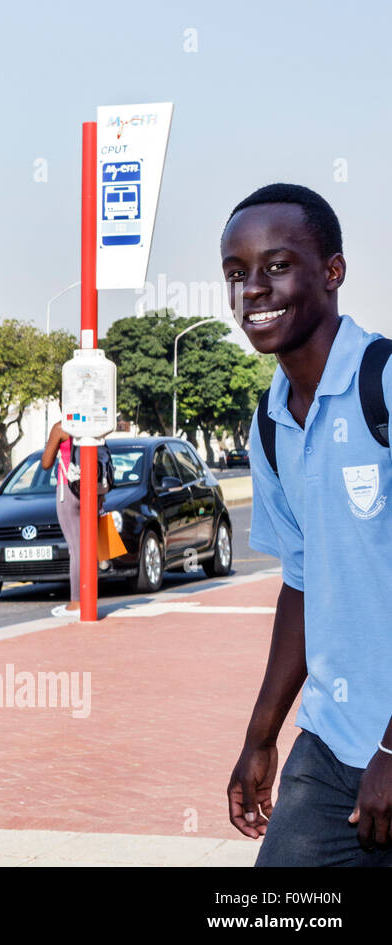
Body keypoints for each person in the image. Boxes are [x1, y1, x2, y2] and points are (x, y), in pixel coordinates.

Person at [223, 183, 392, 865]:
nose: (253, 290)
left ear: (332, 271)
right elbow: (300, 582)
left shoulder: (383, 381)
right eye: (237, 274)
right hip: (328, 747)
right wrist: (260, 735)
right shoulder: (269, 423)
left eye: (277, 265)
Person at [41, 419, 81, 617]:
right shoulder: (96, 424)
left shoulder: (61, 427)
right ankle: (89, 596)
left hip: (69, 487)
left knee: (76, 549)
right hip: (93, 488)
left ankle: (76, 602)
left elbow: (46, 463)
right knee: (87, 546)